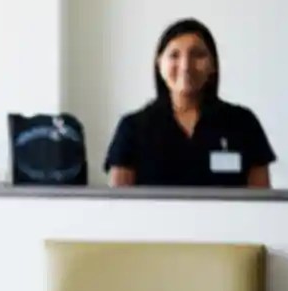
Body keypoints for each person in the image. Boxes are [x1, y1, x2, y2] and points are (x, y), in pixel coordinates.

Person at [104, 18, 275, 187]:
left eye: (198, 55)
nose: (186, 66)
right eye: (174, 55)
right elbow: (118, 208)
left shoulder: (243, 123)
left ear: (213, 65)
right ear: (159, 64)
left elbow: (261, 204)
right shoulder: (133, 128)